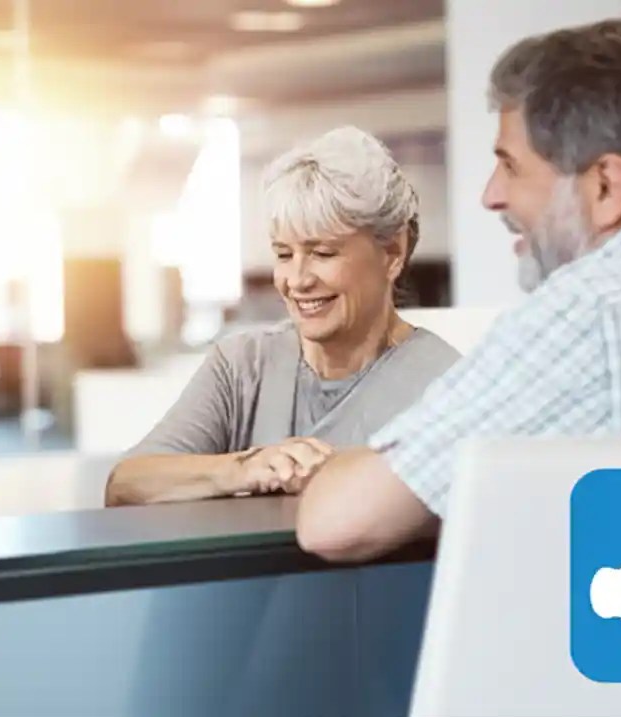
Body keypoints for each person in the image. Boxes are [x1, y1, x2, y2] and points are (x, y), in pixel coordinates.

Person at [296, 19, 621, 562]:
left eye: (510, 166)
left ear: (607, 186)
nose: (491, 195)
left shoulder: (590, 313)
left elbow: (339, 521)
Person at [106, 127, 462, 506]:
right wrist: (244, 468)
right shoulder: (241, 367)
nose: (297, 280)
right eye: (283, 254)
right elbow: (126, 485)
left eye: (323, 253)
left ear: (392, 253)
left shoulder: (443, 386)